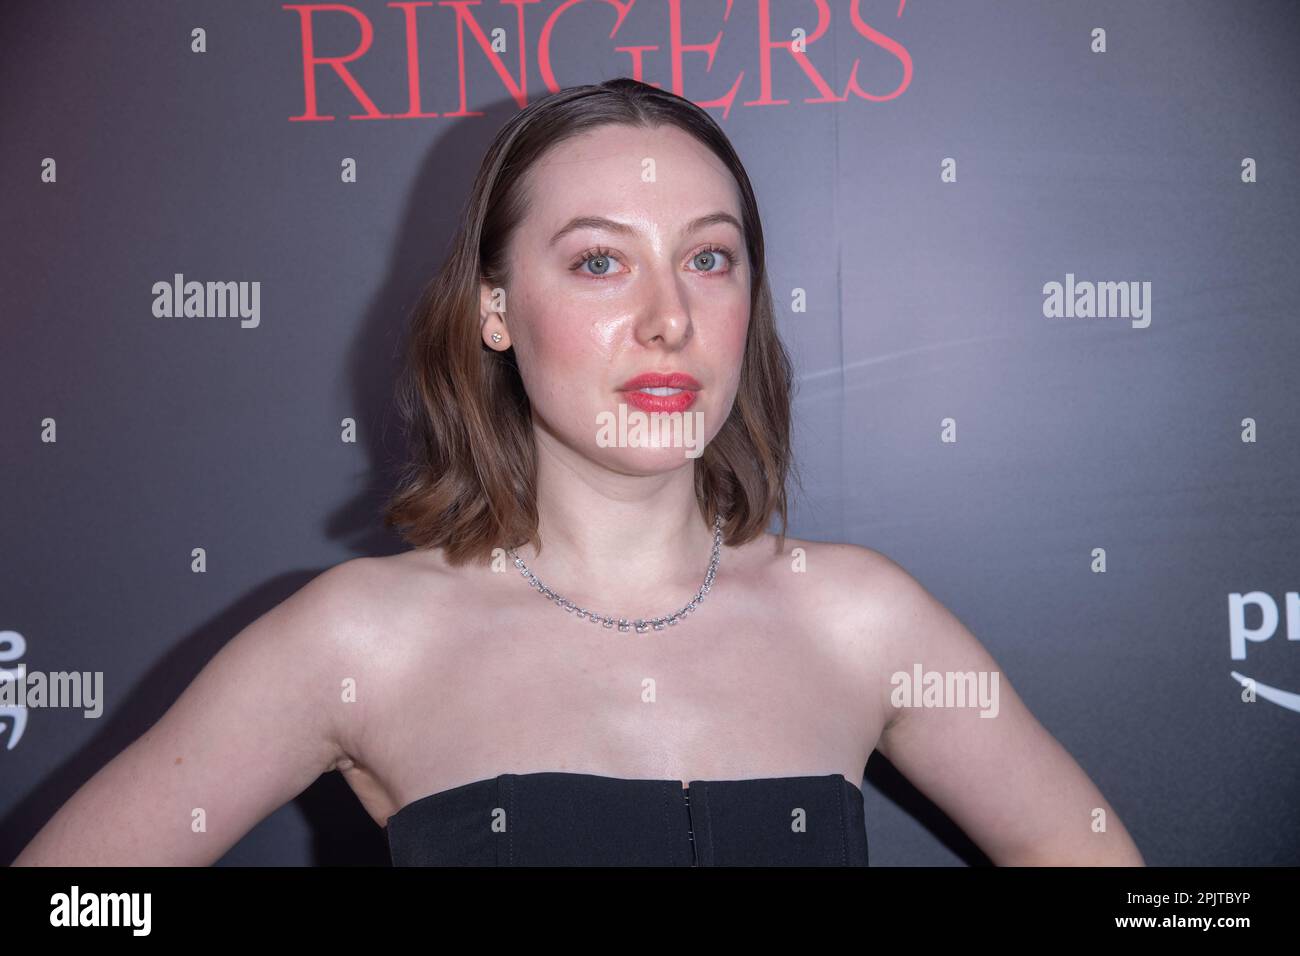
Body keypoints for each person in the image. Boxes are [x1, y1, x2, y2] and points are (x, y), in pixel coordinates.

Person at [13, 78, 1143, 867]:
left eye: (709, 257)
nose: (667, 319)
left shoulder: (859, 617)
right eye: (599, 261)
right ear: (495, 310)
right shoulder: (362, 637)